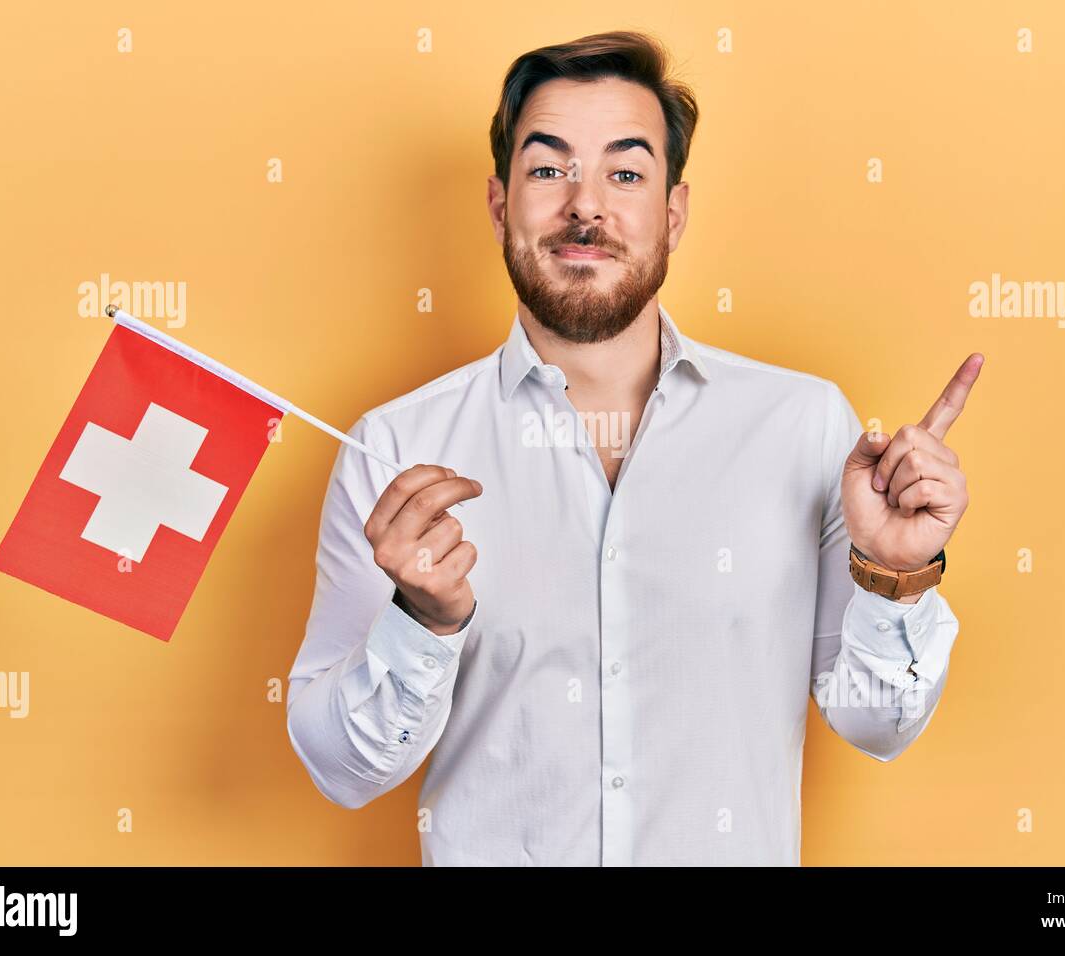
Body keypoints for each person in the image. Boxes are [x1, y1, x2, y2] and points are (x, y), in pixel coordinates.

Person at [286, 30, 981, 866]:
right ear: (501, 205)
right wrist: (421, 623)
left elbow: (879, 726)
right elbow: (341, 771)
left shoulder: (803, 427)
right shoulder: (394, 447)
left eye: (625, 172)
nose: (586, 205)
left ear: (673, 213)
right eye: (548, 170)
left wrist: (894, 578)